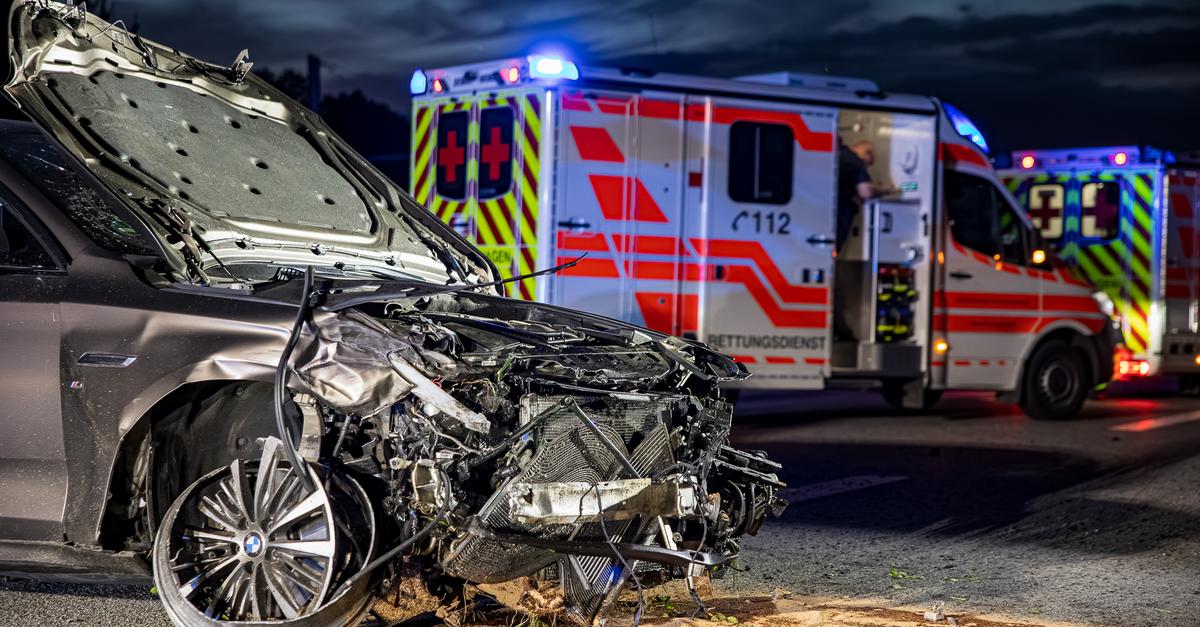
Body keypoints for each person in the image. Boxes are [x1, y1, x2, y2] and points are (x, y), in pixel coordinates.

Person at [836, 139, 880, 249]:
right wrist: (884, 189)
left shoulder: (839, 154)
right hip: (837, 223)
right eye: (868, 163)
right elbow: (866, 192)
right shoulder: (855, 162)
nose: (866, 167)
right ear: (867, 153)